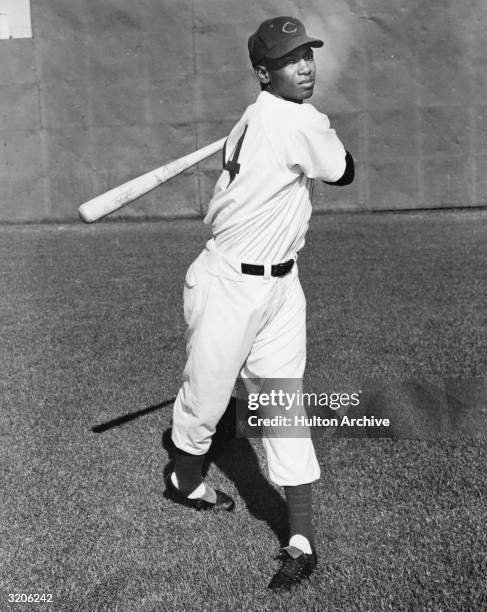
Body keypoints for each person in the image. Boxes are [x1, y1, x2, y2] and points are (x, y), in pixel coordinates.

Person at [164, 16, 355, 590]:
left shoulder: (258, 116)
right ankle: (185, 480)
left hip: (279, 286)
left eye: (307, 55)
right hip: (227, 282)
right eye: (288, 60)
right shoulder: (296, 119)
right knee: (205, 397)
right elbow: (345, 171)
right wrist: (312, 129)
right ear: (262, 71)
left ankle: (300, 536)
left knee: (281, 400)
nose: (305, 66)